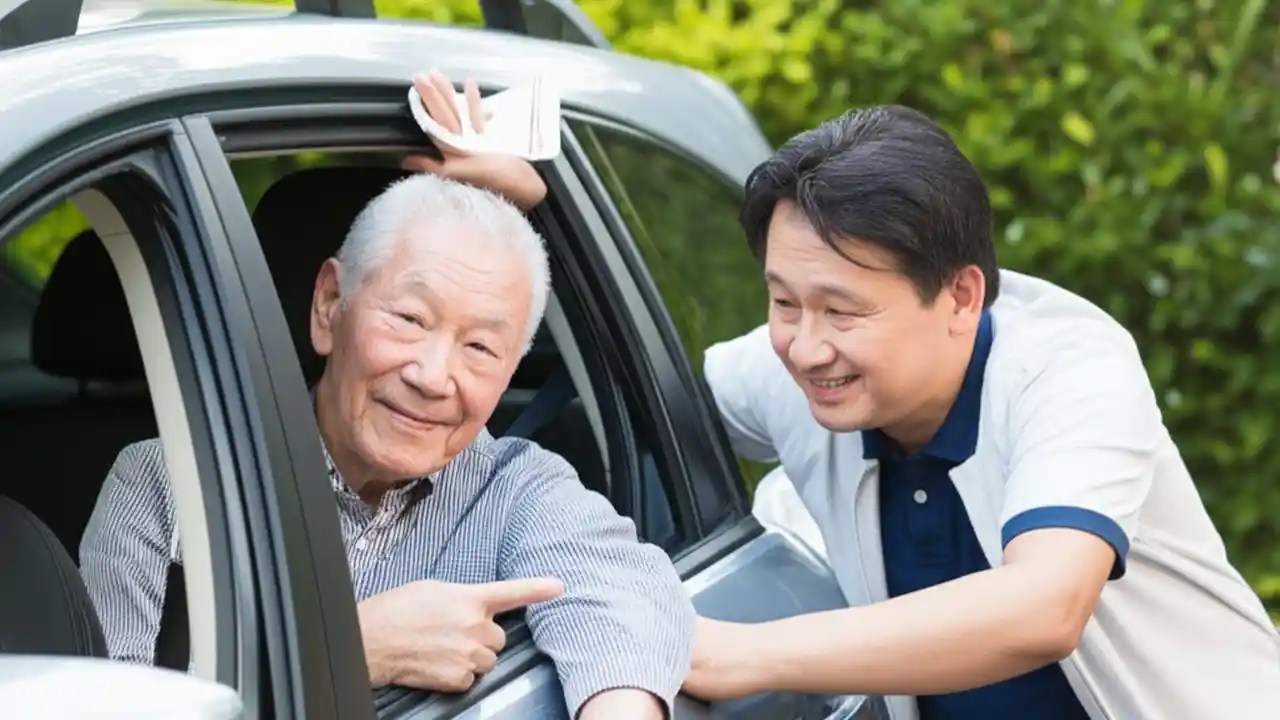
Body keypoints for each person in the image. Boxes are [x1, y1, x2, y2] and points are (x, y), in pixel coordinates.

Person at [79, 71, 692, 720]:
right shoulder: (166, 485)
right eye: (409, 319)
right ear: (329, 305)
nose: (433, 375)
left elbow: (624, 605)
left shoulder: (519, 491)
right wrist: (350, 647)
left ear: (510, 371)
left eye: (480, 348)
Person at [682, 105, 1280, 719]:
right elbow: (615, 421)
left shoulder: (1069, 370)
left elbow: (1041, 610)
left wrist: (731, 655)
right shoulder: (791, 367)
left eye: (843, 311)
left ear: (961, 297)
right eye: (782, 300)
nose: (806, 348)